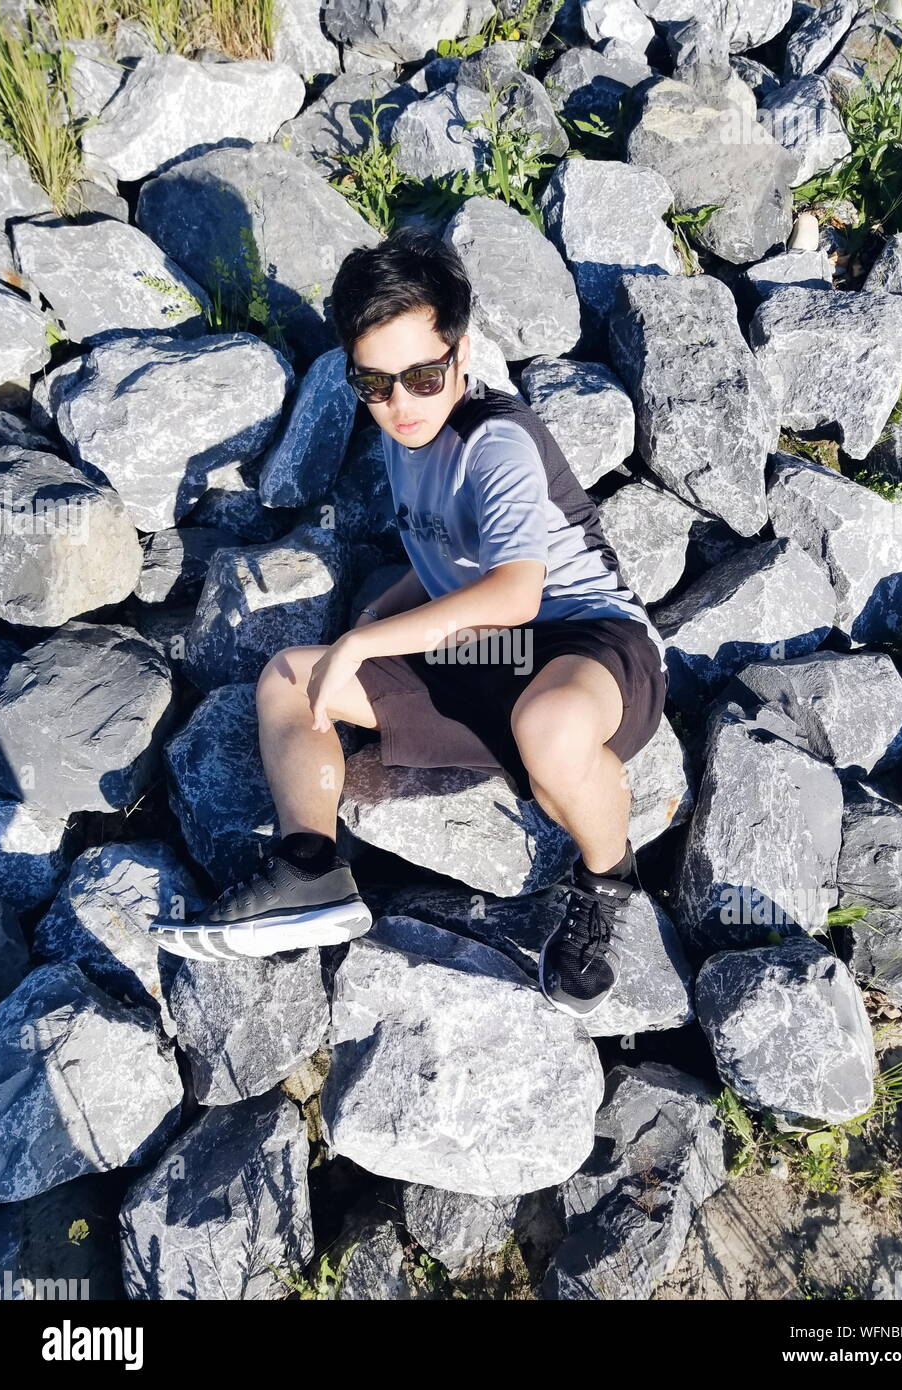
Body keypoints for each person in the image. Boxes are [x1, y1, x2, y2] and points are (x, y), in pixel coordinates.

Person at [149, 227, 668, 1017]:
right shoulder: (403, 433)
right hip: (483, 652)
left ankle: (607, 883)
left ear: (460, 356)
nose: (400, 405)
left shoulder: (494, 442)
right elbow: (438, 568)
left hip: (588, 644)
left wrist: (366, 641)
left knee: (554, 729)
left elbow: (516, 597)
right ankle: (309, 870)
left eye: (424, 376)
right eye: (375, 384)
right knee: (292, 678)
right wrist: (369, 624)